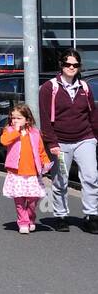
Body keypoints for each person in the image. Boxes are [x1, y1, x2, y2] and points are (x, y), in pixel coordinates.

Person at [38, 48, 98, 234]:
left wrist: (95, 137)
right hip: (60, 141)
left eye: (75, 65)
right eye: (68, 64)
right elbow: (45, 118)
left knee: (91, 177)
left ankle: (91, 216)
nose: (71, 67)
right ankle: (61, 215)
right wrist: (52, 143)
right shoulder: (50, 88)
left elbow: (92, 114)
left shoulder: (84, 87)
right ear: (61, 65)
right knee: (60, 180)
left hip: (85, 138)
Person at [0, 103, 55, 234]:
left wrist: (46, 162)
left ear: (27, 119)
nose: (15, 121)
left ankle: (30, 217)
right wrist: (16, 131)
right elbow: (4, 141)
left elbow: (41, 150)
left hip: (32, 172)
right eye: (13, 118)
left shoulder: (35, 133)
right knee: (19, 200)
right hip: (16, 172)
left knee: (32, 199)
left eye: (19, 118)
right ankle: (23, 222)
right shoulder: (9, 130)